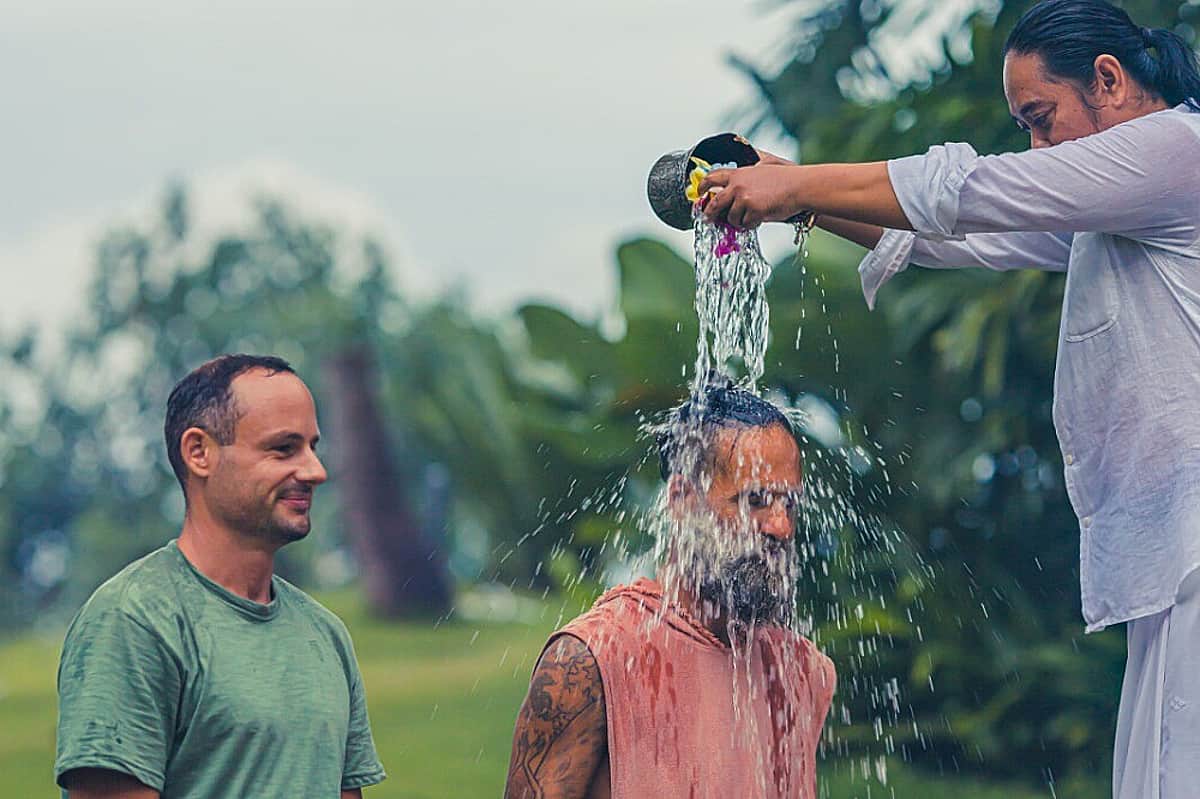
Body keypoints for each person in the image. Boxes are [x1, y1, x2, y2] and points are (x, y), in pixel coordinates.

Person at [696, 1, 1200, 796]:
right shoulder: (1114, 208)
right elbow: (955, 234)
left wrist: (792, 184)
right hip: (1172, 558)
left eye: (1042, 118)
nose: (1035, 146)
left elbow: (967, 188)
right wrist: (794, 192)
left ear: (1109, 79)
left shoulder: (1176, 151)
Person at [54, 354, 386, 798]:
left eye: (313, 446)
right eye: (284, 448)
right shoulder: (134, 620)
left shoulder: (326, 636)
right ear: (199, 453)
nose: (315, 471)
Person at [503, 382, 836, 799]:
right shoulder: (593, 660)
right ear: (681, 499)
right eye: (755, 501)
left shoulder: (800, 671)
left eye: (789, 504)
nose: (781, 527)